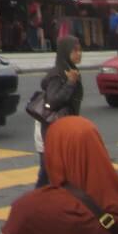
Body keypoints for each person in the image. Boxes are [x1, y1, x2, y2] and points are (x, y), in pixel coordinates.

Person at [33, 36, 84, 187]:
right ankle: (38, 198)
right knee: (48, 171)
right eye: (75, 50)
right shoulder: (58, 74)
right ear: (65, 52)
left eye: (80, 50)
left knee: (56, 171)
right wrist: (70, 83)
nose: (79, 54)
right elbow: (52, 101)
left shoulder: (71, 71)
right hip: (50, 128)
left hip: (63, 127)